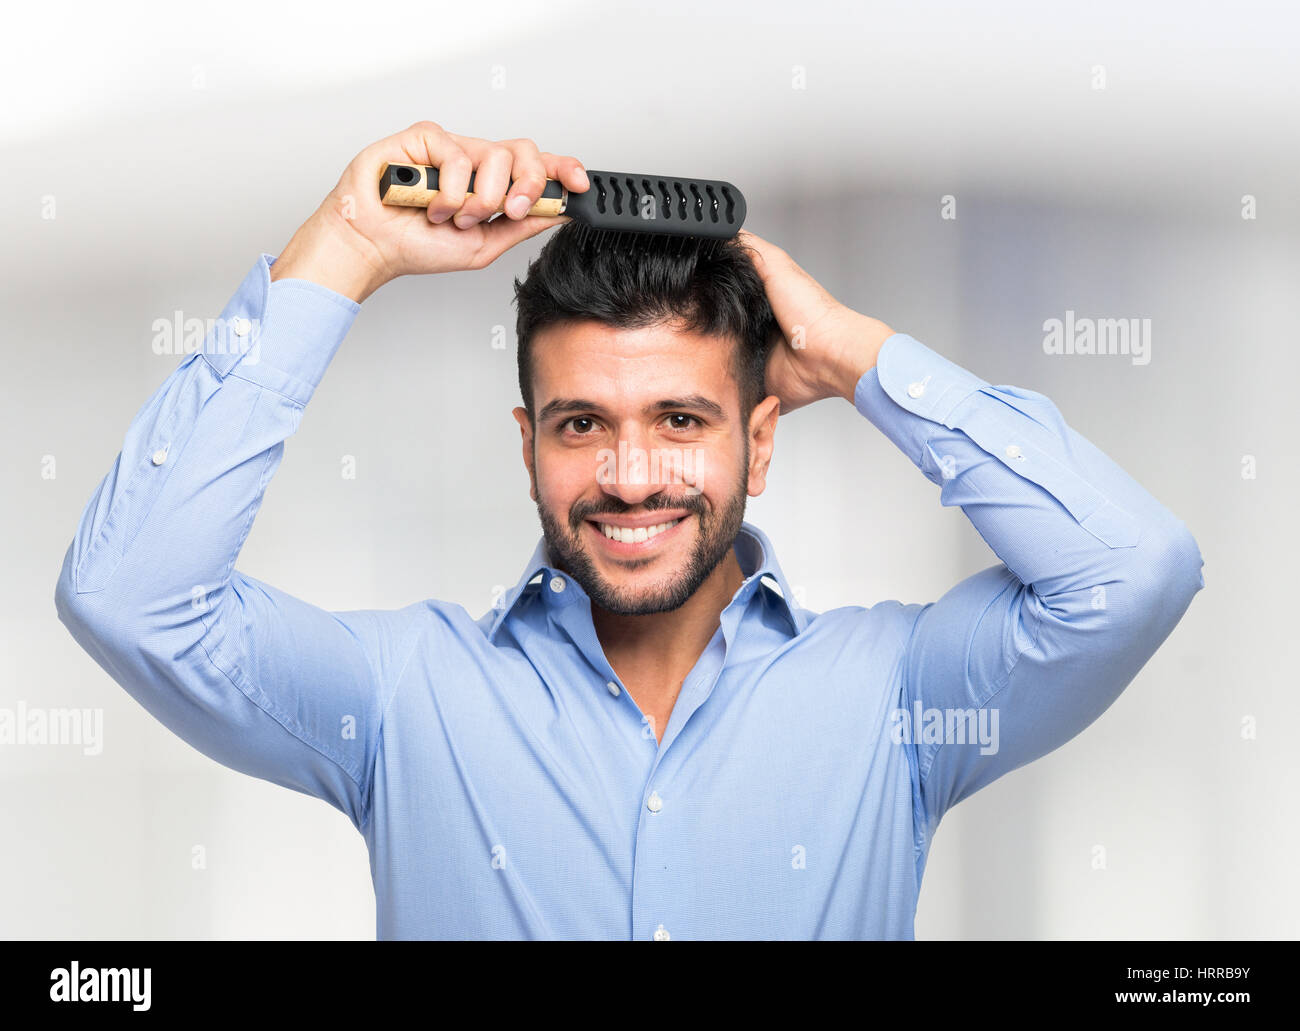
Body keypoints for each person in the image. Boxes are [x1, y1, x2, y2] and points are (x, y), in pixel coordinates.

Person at [55, 121, 1205, 940]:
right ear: (526, 447)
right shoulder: (404, 697)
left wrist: (857, 354)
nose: (631, 474)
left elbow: (1132, 569)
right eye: (580, 423)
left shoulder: (899, 695)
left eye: (680, 417)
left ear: (761, 439)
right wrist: (345, 250)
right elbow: (130, 594)